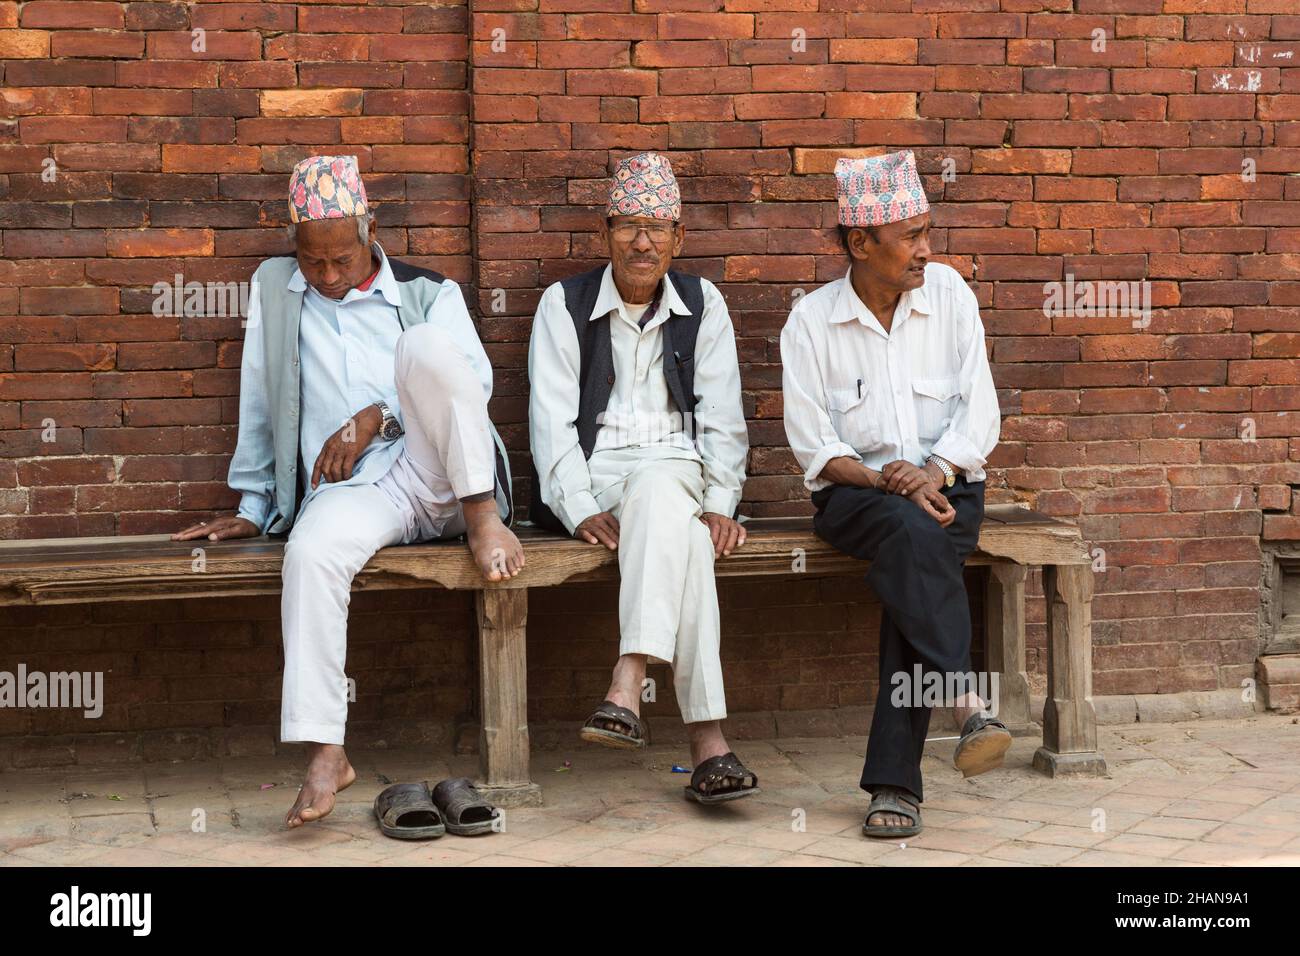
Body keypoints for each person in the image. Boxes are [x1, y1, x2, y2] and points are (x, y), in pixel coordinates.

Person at [172, 155, 522, 828]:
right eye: (313, 262)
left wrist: (374, 417)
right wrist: (252, 506)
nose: (329, 276)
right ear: (294, 246)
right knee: (310, 552)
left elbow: (472, 387)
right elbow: (260, 401)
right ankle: (327, 751)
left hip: (443, 472)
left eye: (342, 259)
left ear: (371, 229)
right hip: (358, 492)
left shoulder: (426, 291)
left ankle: (483, 520)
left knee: (427, 347)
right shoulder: (276, 290)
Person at [779, 150, 1005, 837]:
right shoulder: (812, 322)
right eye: (910, 236)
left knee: (916, 547)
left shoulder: (951, 297)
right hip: (857, 500)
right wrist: (888, 478)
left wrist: (931, 472)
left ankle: (895, 790)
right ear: (860, 242)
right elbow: (813, 445)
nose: (925, 251)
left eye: (927, 231)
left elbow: (982, 414)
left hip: (946, 491)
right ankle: (965, 700)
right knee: (910, 537)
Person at [527, 152, 758, 802]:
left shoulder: (702, 304)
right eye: (629, 224)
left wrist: (719, 501)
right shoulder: (563, 305)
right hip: (598, 478)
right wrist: (576, 508)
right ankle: (709, 744)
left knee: (664, 490)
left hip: (676, 470)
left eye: (657, 226)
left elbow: (721, 417)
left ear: (679, 237)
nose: (642, 240)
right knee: (683, 540)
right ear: (606, 231)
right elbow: (550, 425)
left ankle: (627, 680)